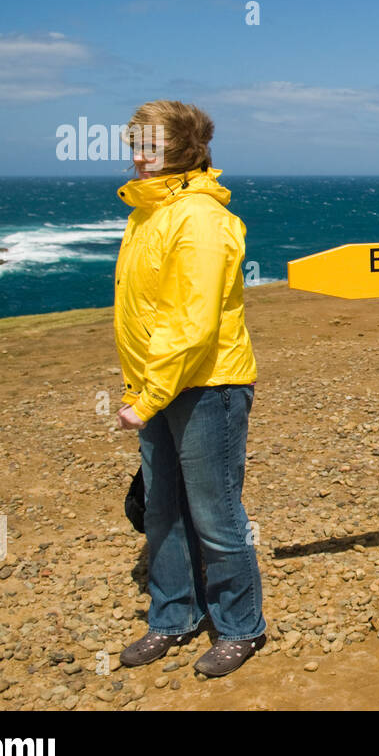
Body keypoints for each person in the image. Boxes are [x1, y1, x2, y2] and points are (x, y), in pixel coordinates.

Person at [112, 100, 266, 676]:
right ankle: (172, 617)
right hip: (158, 384)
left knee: (215, 513)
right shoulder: (148, 211)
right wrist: (143, 388)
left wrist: (146, 397)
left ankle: (240, 626)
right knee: (162, 511)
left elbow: (193, 323)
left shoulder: (198, 218)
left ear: (182, 152)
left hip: (209, 385)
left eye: (149, 147)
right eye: (135, 144)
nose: (137, 157)